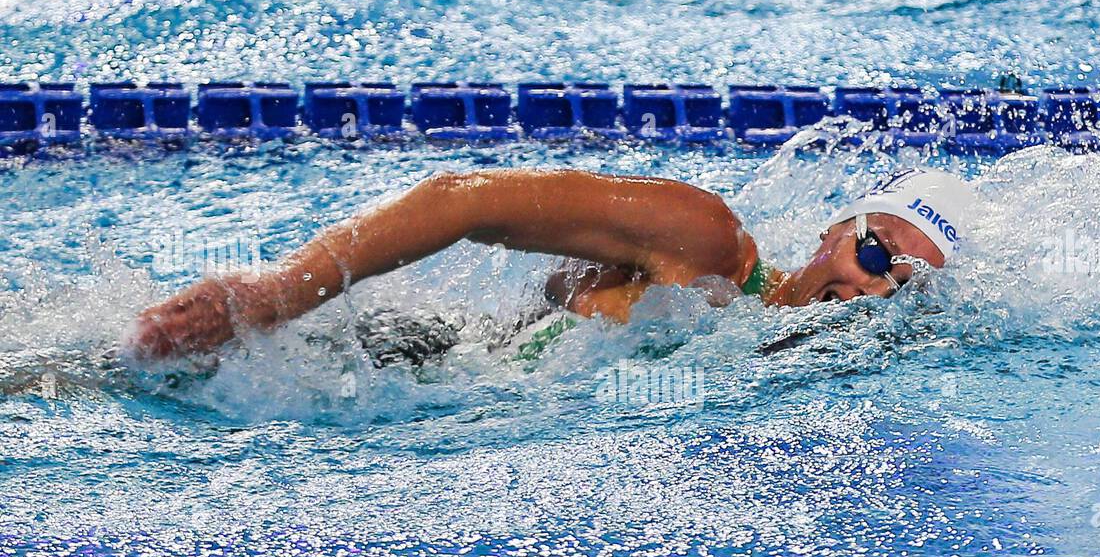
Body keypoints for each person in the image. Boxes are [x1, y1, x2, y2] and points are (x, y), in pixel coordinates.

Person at [128, 166, 975, 362]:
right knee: (113, 367)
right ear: (836, 231)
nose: (869, 287)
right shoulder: (707, 244)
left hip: (435, 425)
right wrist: (279, 292)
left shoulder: (790, 370)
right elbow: (462, 200)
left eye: (900, 289)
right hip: (410, 360)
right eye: (875, 251)